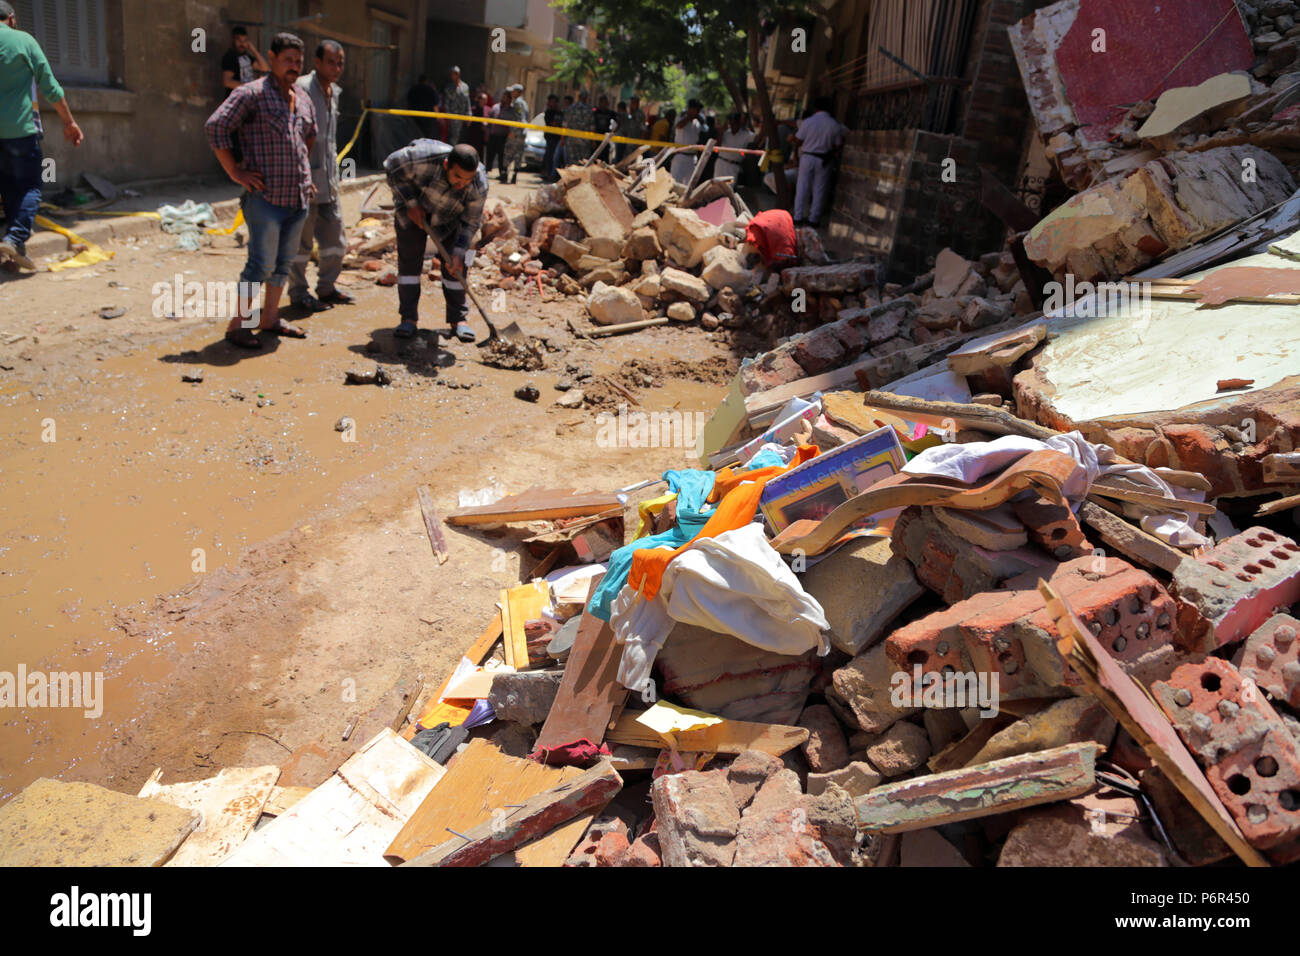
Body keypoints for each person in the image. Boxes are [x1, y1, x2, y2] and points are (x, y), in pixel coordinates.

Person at [205, 32, 316, 349]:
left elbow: (311, 134)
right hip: (265, 199)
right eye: (287, 60)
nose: (294, 66)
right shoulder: (252, 93)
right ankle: (238, 326)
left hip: (297, 199)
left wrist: (304, 171)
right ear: (271, 58)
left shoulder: (302, 97)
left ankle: (268, 319)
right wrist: (235, 171)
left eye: (298, 61)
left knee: (283, 264)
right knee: (260, 265)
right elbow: (216, 126)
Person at [0, 0, 83, 271]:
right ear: (11, 18)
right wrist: (69, 122)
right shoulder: (23, 40)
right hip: (21, 131)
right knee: (31, 187)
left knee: (9, 189)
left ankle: (15, 250)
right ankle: (14, 239)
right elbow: (50, 87)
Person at [383, 141, 487, 343]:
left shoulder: (479, 184)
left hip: (450, 218)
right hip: (413, 212)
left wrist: (458, 251)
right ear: (447, 165)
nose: (462, 183)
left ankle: (459, 320)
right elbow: (391, 165)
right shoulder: (423, 157)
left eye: (468, 179)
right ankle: (408, 319)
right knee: (410, 264)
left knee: (457, 267)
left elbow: (471, 222)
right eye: (457, 176)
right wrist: (410, 202)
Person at [287, 40, 352, 313]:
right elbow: (293, 136)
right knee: (301, 245)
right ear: (316, 62)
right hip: (306, 182)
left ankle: (326, 288)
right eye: (331, 62)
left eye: (340, 63)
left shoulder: (333, 92)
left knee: (336, 241)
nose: (336, 68)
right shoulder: (300, 89)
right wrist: (301, 176)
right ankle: (298, 293)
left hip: (328, 181)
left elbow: (330, 140)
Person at [792, 96, 844, 226]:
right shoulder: (834, 124)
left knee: (802, 187)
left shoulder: (808, 122)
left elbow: (798, 141)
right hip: (824, 159)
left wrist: (795, 157)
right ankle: (813, 219)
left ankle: (798, 216)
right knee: (819, 189)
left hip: (807, 157)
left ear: (815, 107)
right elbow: (838, 145)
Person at [221, 25, 267, 98]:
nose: (242, 44)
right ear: (233, 40)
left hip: (248, 97)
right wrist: (249, 87)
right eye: (239, 40)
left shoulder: (247, 57)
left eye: (245, 41)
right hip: (236, 98)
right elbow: (227, 82)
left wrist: (253, 49)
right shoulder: (230, 57)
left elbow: (264, 68)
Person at [499, 84, 528, 184]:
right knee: (518, 154)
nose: (511, 93)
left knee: (509, 152)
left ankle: (505, 175)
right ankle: (514, 175)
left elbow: (519, 118)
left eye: (513, 91)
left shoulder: (518, 103)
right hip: (521, 132)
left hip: (516, 132)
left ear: (518, 92)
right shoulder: (523, 102)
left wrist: (513, 131)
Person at [671, 98, 703, 184]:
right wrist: (689, 117)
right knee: (676, 183)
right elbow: (679, 126)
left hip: (692, 158)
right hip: (680, 157)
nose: (698, 113)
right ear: (690, 109)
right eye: (696, 110)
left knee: (689, 185)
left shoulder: (697, 123)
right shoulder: (681, 118)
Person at [714, 111, 751, 182]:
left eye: (735, 123)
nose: (732, 125)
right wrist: (721, 131)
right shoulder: (725, 133)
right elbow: (717, 147)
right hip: (721, 163)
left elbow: (757, 138)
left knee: (729, 189)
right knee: (716, 188)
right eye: (731, 122)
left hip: (734, 166)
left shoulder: (746, 135)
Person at [562, 90, 595, 166]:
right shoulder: (589, 110)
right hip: (585, 141)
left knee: (572, 162)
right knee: (584, 162)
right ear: (586, 98)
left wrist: (562, 138)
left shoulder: (570, 108)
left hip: (571, 140)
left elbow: (564, 125)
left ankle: (572, 176)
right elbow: (592, 127)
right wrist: (593, 141)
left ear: (579, 97)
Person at [484, 87, 509, 181]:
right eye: (503, 97)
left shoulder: (510, 110)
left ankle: (502, 174)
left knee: (502, 156)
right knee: (490, 154)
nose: (504, 99)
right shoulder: (495, 107)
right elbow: (490, 120)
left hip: (504, 137)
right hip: (493, 135)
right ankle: (486, 172)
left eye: (506, 97)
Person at [406, 73, 439, 138]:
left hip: (415, 116)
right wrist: (438, 116)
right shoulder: (430, 89)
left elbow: (408, 101)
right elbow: (435, 104)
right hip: (427, 117)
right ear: (426, 81)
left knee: (415, 134)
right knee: (427, 135)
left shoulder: (413, 89)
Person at [442, 66, 470, 144]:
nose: (452, 76)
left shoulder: (465, 87)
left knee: (462, 137)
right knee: (452, 138)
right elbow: (446, 103)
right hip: (453, 117)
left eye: (454, 74)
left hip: (463, 116)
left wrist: (469, 114)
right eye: (451, 74)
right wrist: (448, 116)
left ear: (458, 74)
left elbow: (467, 101)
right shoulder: (448, 87)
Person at [540, 93, 563, 181]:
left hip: (559, 138)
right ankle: (548, 173)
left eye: (552, 102)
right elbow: (552, 124)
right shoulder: (548, 113)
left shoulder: (560, 112)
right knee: (549, 156)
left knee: (557, 158)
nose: (550, 103)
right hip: (550, 138)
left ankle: (555, 174)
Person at [616, 95, 644, 161]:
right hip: (627, 142)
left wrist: (640, 143)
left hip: (635, 143)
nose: (632, 104)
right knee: (625, 160)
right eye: (631, 102)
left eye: (633, 102)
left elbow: (643, 130)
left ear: (637, 103)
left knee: (633, 161)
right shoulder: (629, 113)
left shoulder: (640, 114)